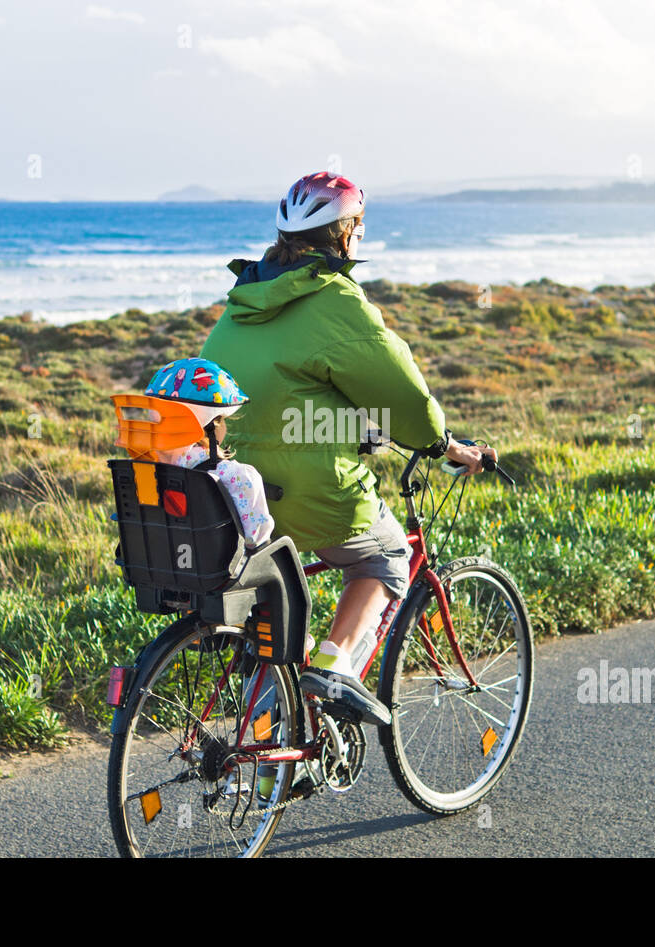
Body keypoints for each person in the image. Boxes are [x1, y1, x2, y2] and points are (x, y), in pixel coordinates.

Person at [202, 171, 495, 726]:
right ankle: (334, 671)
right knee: (387, 557)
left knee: (280, 604)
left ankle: (270, 748)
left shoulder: (244, 299)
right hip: (303, 490)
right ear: (347, 235)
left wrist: (356, 430)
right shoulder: (336, 299)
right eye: (359, 228)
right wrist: (444, 445)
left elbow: (283, 391)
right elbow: (403, 394)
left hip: (234, 491)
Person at [143, 357, 274, 548]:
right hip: (223, 573)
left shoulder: (145, 473)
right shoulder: (235, 476)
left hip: (161, 569)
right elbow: (256, 537)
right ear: (215, 425)